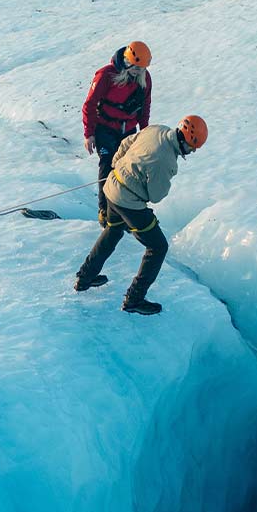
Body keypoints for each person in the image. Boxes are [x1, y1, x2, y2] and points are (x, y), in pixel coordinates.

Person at [73, 115, 207, 315]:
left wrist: (117, 165)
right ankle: (134, 299)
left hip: (111, 187)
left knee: (113, 230)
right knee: (158, 247)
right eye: (193, 147)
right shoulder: (167, 160)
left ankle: (85, 277)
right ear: (187, 142)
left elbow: (127, 143)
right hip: (128, 202)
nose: (192, 151)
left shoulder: (157, 129)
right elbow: (156, 195)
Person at [82, 41, 152, 222]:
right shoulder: (106, 75)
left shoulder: (145, 78)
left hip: (128, 130)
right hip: (105, 129)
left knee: (125, 170)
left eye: (141, 68)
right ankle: (104, 211)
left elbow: (144, 107)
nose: (138, 72)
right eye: (135, 67)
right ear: (127, 61)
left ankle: (122, 211)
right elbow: (89, 105)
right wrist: (89, 134)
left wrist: (144, 133)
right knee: (107, 165)